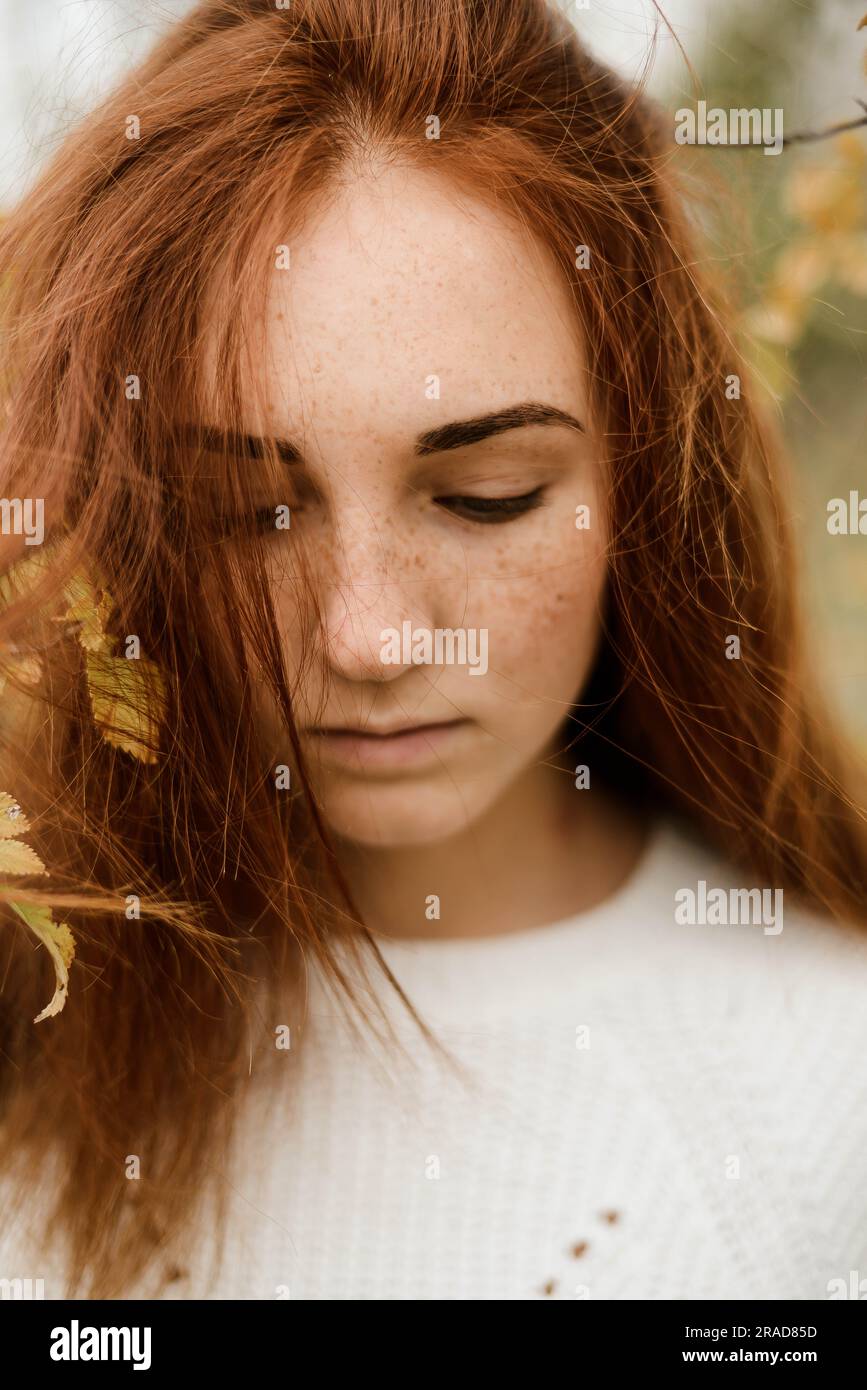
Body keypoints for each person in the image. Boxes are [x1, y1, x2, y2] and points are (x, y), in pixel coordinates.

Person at [0, 0, 865, 1301]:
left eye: (488, 494)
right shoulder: (40, 1006)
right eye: (247, 511)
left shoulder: (827, 1094)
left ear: (647, 483)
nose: (369, 635)